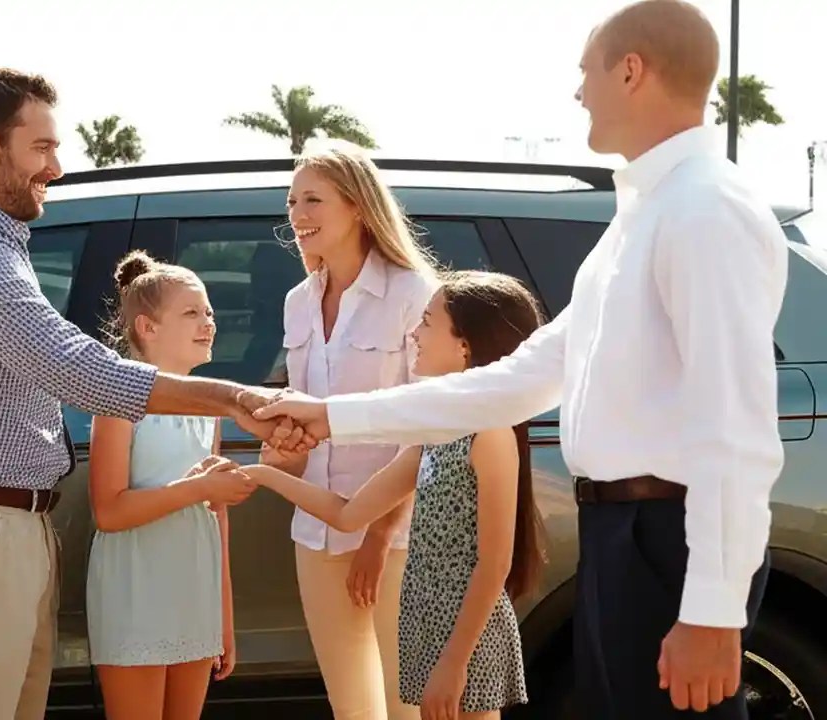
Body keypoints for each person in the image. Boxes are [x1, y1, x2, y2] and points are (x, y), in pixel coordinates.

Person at [253, 2, 788, 718]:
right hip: (621, 538)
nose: (577, 93)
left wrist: (716, 610)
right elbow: (508, 385)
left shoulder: (705, 211)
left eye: (585, 72)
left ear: (631, 71)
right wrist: (326, 415)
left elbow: (737, 428)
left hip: (666, 538)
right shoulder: (644, 218)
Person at [0, 67, 307, 720]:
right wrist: (230, 398)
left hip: (7, 529)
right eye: (42, 148)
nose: (55, 167)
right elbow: (75, 367)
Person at [245, 271, 546, 720]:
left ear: (465, 346)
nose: (414, 333)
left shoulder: (491, 434)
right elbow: (349, 515)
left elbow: (494, 562)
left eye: (427, 322)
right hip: (428, 627)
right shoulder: (435, 431)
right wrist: (261, 475)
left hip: (467, 636)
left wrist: (454, 662)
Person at [262, 138, 438, 720]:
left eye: (312, 199)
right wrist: (281, 443)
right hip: (315, 536)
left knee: (404, 708)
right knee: (353, 711)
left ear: (358, 206)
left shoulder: (414, 294)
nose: (297, 215)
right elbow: (308, 419)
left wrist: (378, 536)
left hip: (399, 540)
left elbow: (427, 427)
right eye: (291, 202)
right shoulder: (296, 301)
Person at [86, 250, 250, 720]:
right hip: (136, 593)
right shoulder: (117, 402)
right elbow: (110, 512)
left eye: (210, 312)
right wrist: (196, 490)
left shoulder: (209, 407)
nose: (209, 322)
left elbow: (217, 520)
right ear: (147, 327)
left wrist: (224, 620)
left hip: (193, 594)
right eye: (192, 312)